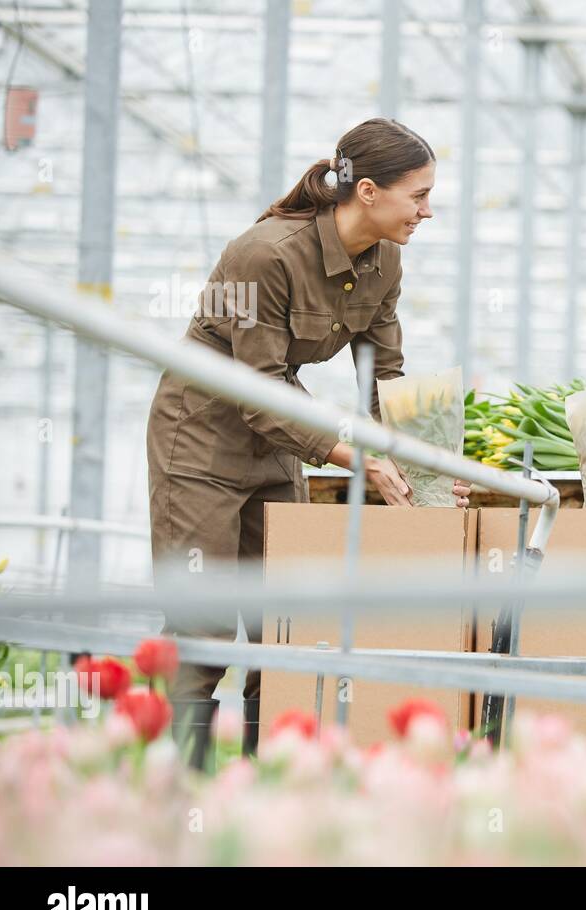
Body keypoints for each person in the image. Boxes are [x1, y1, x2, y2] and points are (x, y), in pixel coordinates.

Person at [145, 118, 470, 765]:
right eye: (420, 195)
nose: (429, 211)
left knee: (286, 623)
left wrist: (428, 465)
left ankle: (269, 790)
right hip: (202, 436)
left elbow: (384, 377)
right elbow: (256, 383)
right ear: (370, 191)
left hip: (281, 437)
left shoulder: (385, 263)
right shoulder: (265, 253)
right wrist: (359, 462)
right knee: (204, 622)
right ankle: (171, 792)